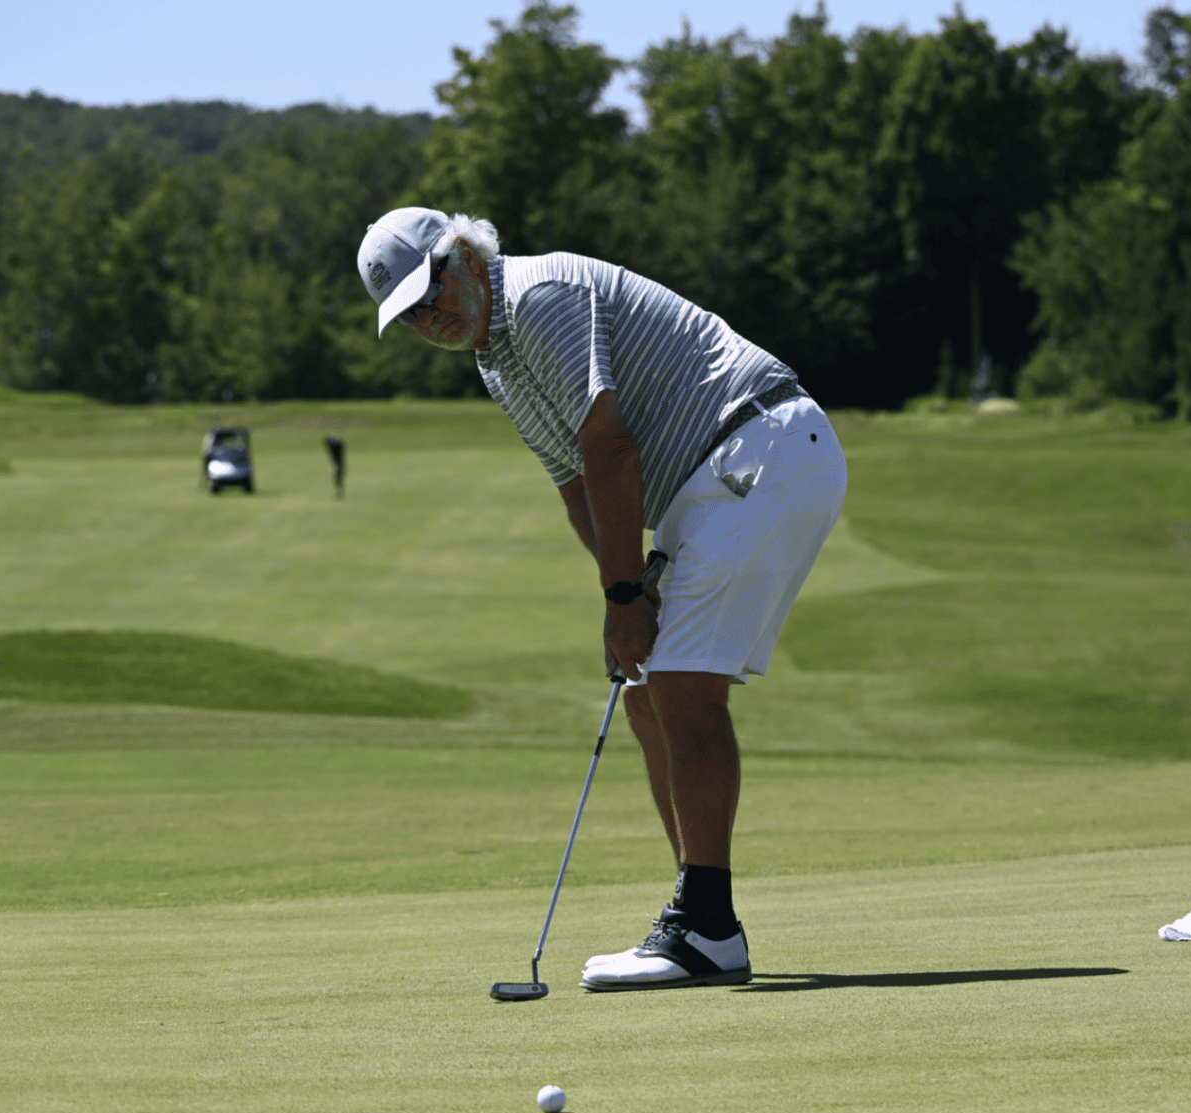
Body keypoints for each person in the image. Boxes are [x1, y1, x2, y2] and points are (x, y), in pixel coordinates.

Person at [356, 208, 848, 991]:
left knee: (685, 689)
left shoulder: (540, 295)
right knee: (647, 692)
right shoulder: (496, 360)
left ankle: (706, 930)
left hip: (758, 446)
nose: (430, 318)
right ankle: (698, 914)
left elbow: (609, 443)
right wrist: (629, 597)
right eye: (411, 313)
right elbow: (576, 487)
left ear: (466, 257)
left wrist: (625, 595)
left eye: (432, 291)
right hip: (719, 480)